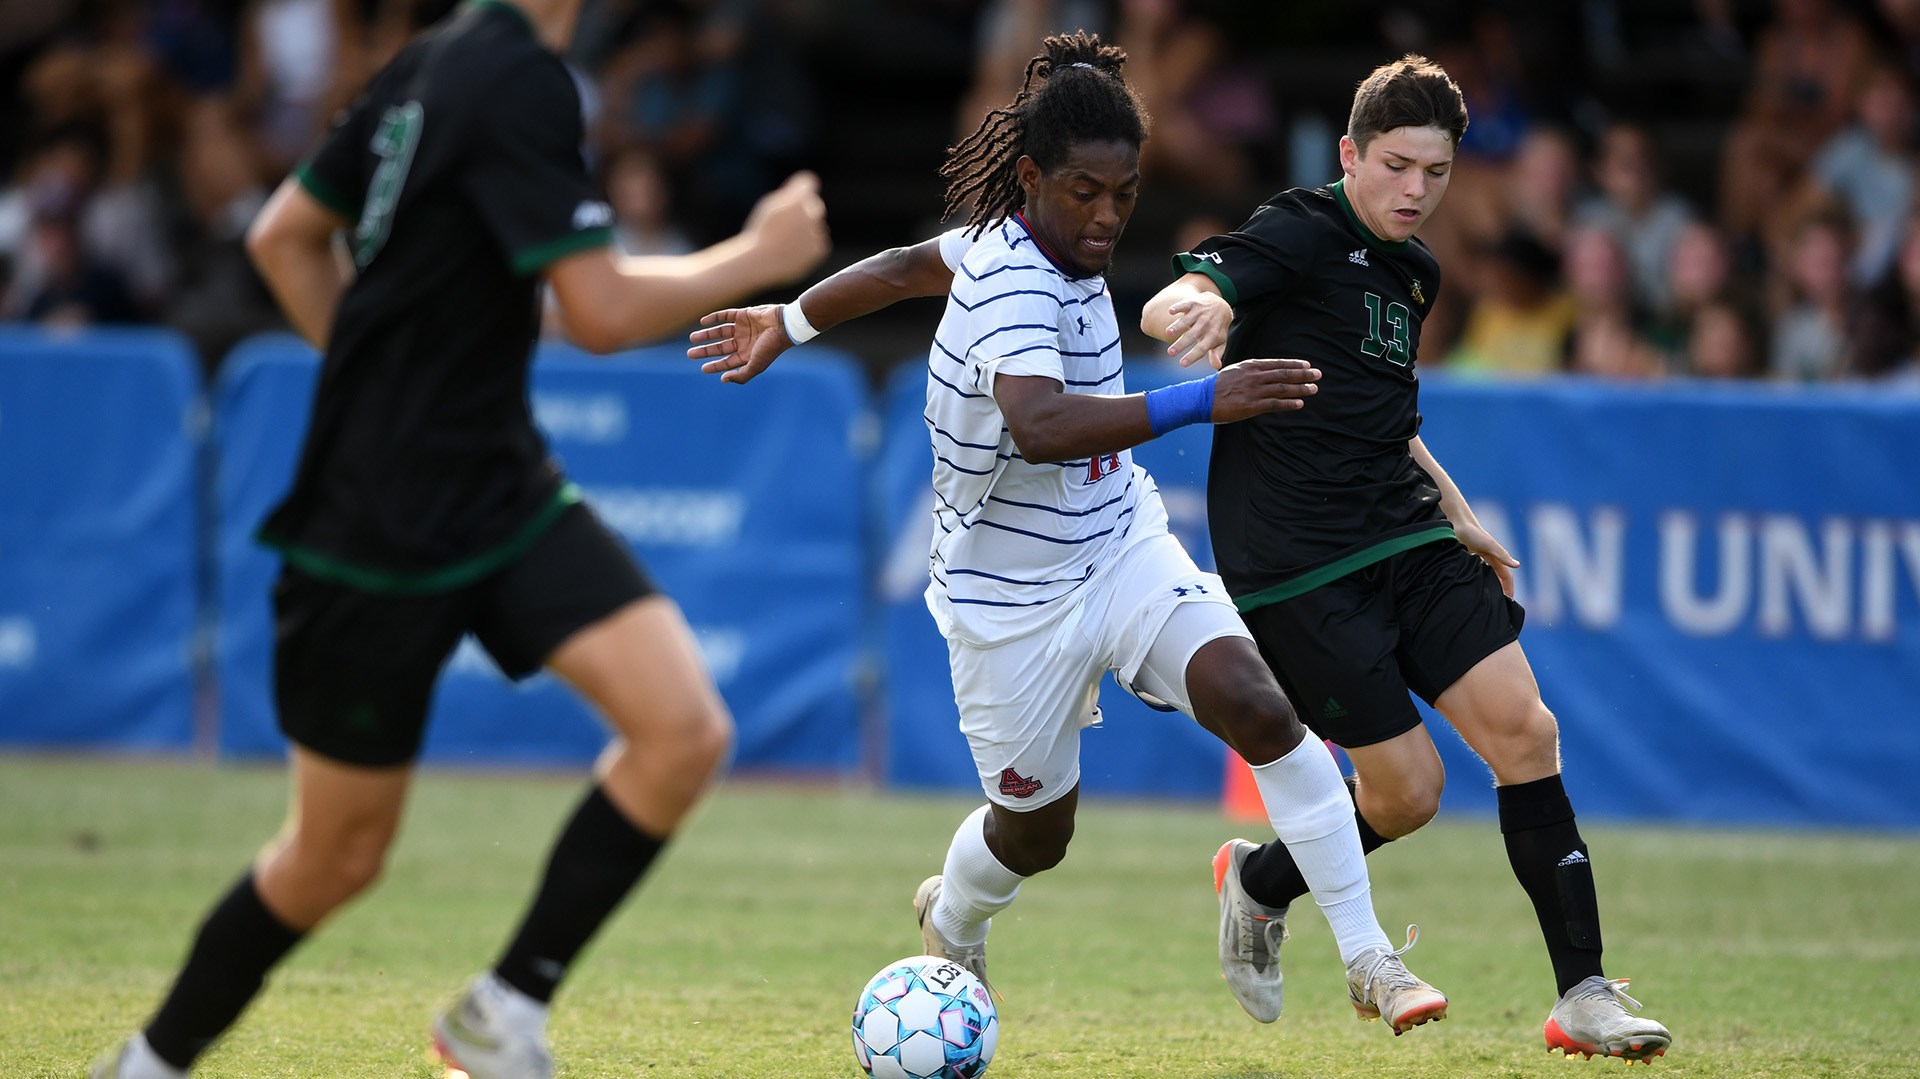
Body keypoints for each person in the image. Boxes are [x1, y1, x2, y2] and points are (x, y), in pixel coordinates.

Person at [90, 0, 828, 1076]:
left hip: (496, 482)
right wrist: (757, 255)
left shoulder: (423, 66)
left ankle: (502, 1011)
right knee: (334, 858)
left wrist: (389, 375)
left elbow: (286, 239)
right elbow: (602, 309)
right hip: (375, 519)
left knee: (683, 727)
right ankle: (149, 1061)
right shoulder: (514, 78)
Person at [689, 30, 1449, 1038]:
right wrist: (1202, 400)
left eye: (1124, 192)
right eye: (1084, 192)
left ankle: (1370, 960)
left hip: (1116, 542)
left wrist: (789, 322)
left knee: (1259, 703)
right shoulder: (1011, 284)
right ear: (1030, 177)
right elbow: (1042, 426)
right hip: (1006, 603)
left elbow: (912, 263)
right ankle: (952, 915)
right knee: (1036, 832)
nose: (1106, 217)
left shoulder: (1002, 242)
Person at [1137, 55, 1673, 1063]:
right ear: (1350, 155)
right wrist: (1194, 311)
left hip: (1407, 532)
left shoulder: (1416, 270)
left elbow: (1389, 412)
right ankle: (1260, 882)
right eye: (1395, 165)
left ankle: (1585, 994)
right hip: (1296, 563)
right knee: (1407, 794)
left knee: (1528, 728)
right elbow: (1185, 291)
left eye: (1436, 171)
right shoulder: (1299, 228)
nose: (1416, 190)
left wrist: (1459, 512)